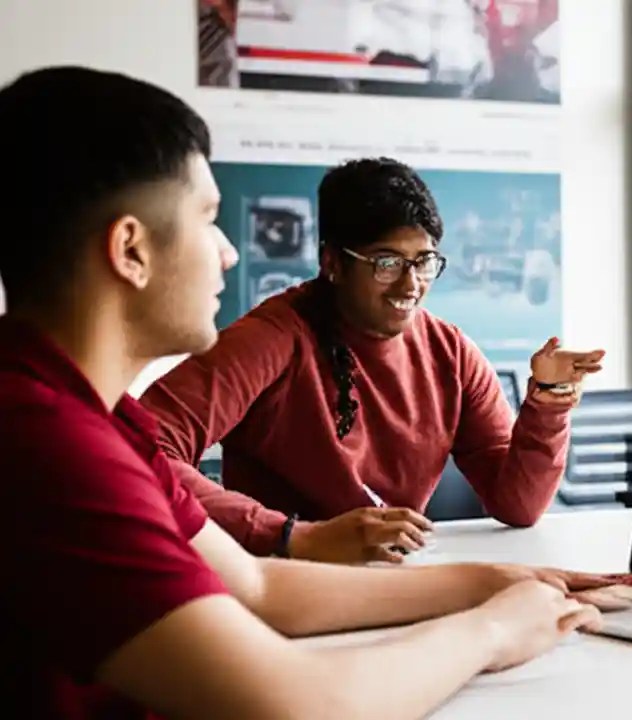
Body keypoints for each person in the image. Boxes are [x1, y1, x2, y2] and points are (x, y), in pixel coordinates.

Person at [0, 65, 613, 718]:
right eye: (207, 219)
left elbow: (259, 587)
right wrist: (492, 631)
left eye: (422, 262)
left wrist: (500, 583)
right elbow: (304, 705)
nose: (230, 254)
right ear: (130, 249)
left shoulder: (104, 420)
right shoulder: (46, 445)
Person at [138, 156, 604, 564]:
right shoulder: (270, 338)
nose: (410, 284)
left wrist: (548, 402)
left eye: (424, 262)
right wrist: (293, 536)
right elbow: (140, 450)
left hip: (394, 578)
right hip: (284, 578)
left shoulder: (451, 352)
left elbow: (518, 505)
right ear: (333, 263)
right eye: (387, 262)